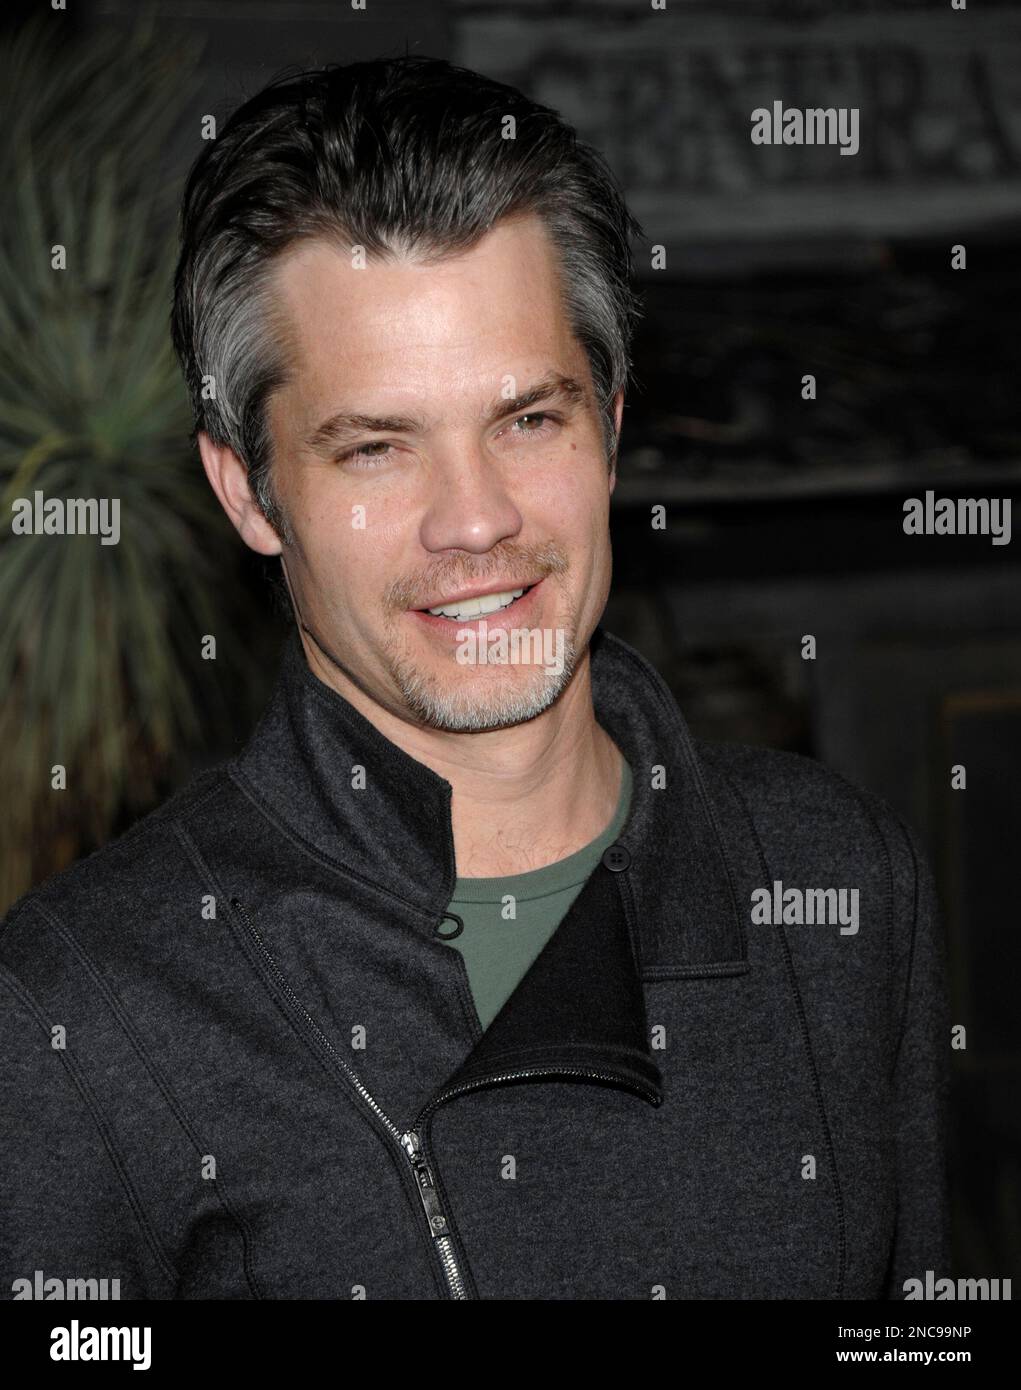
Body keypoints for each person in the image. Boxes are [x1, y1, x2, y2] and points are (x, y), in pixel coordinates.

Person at [0, 55, 948, 1300]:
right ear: (249, 489)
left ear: (610, 421)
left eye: (527, 419)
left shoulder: (837, 880)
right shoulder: (78, 1011)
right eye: (378, 447)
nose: (475, 521)